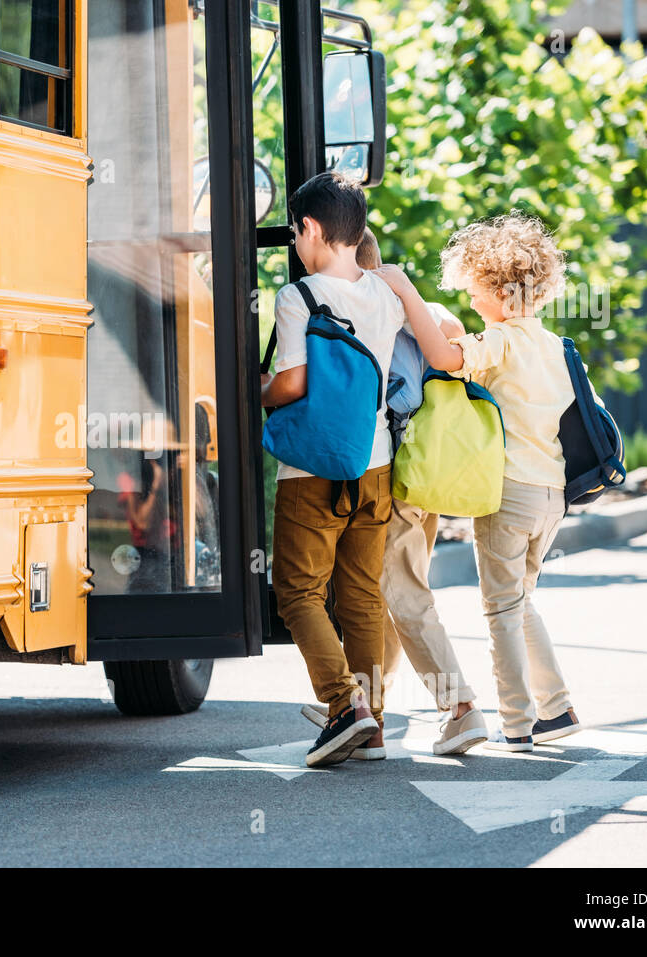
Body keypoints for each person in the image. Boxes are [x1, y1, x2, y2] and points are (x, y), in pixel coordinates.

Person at [373, 211, 583, 752]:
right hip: (552, 495)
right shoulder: (554, 345)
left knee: (500, 609)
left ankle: (517, 721)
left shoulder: (501, 341)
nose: (470, 302)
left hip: (509, 492)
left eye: (474, 291)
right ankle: (556, 708)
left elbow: (446, 356)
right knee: (522, 600)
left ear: (495, 290)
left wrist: (403, 288)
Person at [261, 173, 401, 766]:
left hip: (313, 470)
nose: (295, 244)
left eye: (295, 232)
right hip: (375, 466)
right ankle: (372, 725)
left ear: (311, 229)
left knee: (296, 592)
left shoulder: (300, 296)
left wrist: (257, 389)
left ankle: (344, 708)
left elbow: (292, 382)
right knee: (362, 596)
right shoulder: (385, 296)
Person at [356, 229, 490, 756]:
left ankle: (459, 705)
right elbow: (451, 335)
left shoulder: (363, 315)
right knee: (391, 593)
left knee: (401, 593)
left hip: (392, 474)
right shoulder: (430, 313)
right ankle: (371, 713)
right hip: (428, 474)